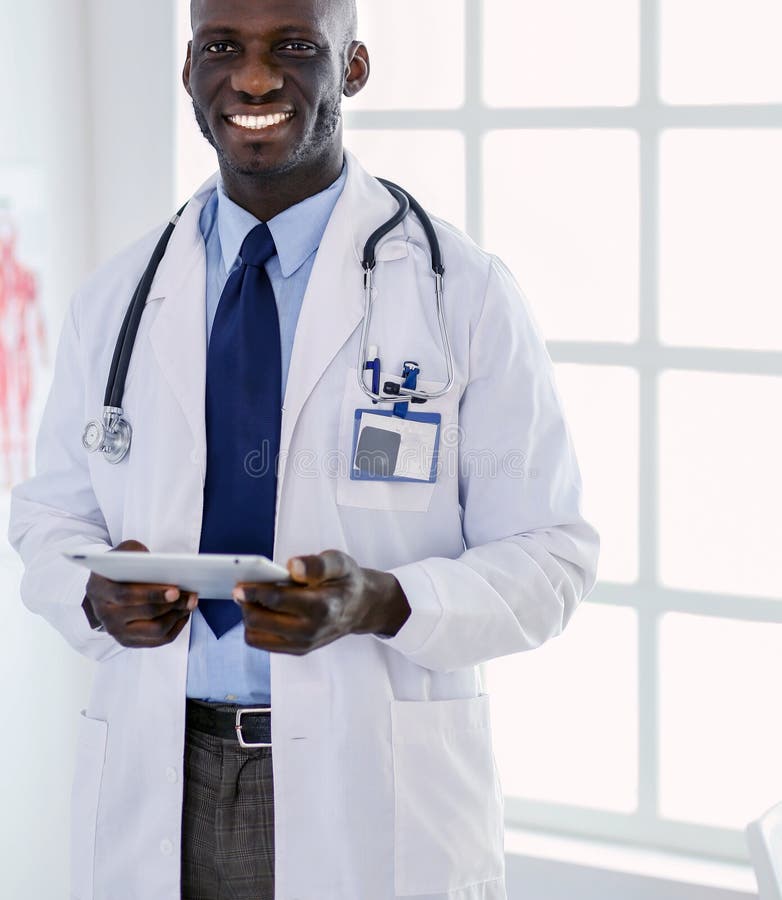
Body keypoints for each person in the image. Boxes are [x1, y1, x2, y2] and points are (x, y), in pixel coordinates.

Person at [8, 0, 600, 897]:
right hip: (164, 770)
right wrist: (92, 595)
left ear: (352, 67)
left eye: (294, 47)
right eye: (222, 48)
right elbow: (50, 514)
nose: (252, 78)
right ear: (188, 72)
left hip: (368, 787)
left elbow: (554, 556)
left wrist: (387, 602)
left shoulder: (463, 295)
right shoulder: (122, 292)